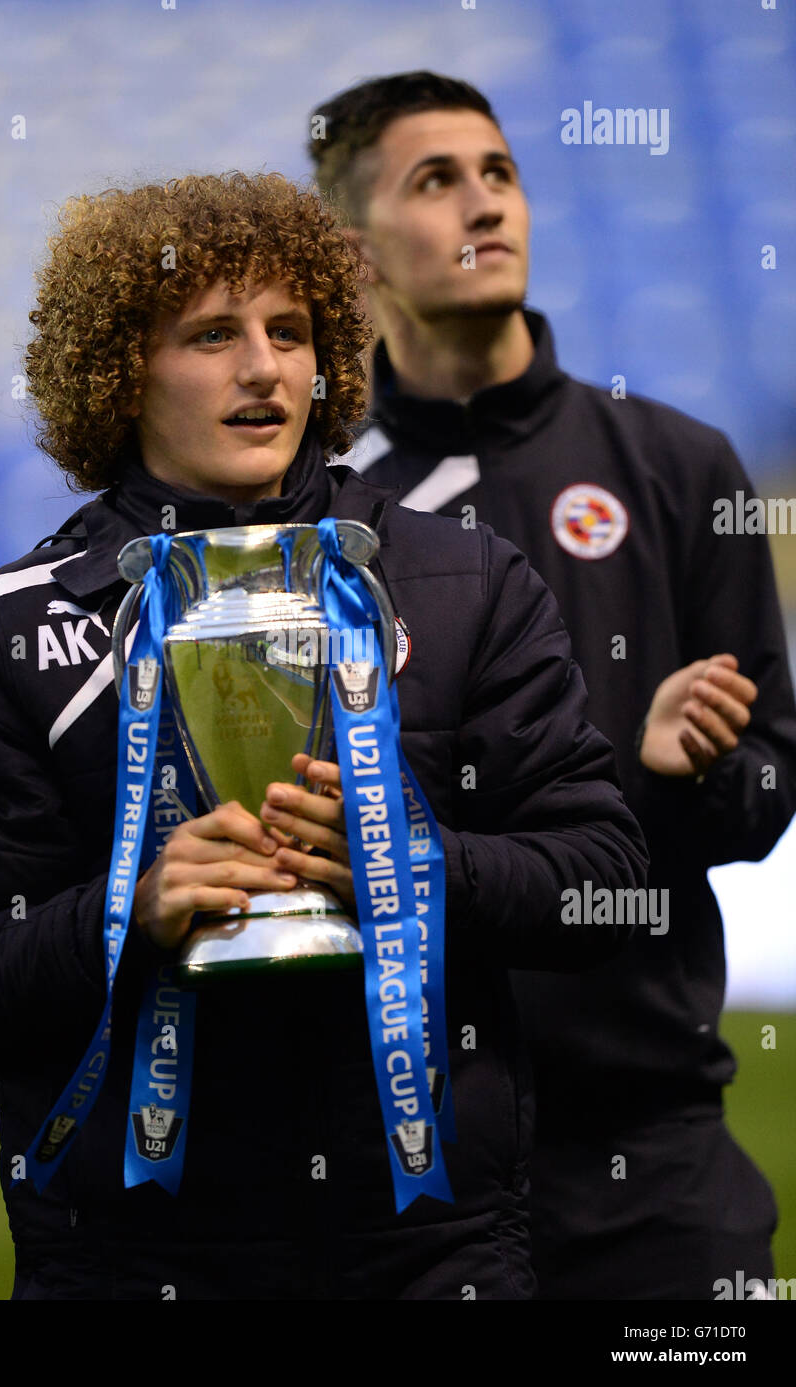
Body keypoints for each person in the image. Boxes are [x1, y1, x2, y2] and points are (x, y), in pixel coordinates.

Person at [0, 171, 647, 1301]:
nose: (263, 368)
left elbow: (607, 883)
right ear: (118, 368)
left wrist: (419, 865)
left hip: (431, 1257)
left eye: (289, 331)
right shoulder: (12, 627)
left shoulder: (465, 582)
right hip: (122, 1265)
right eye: (211, 334)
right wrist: (127, 913)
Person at [306, 71, 796, 1300]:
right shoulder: (314, 504)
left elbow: (770, 785)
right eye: (436, 180)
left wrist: (696, 773)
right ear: (355, 252)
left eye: (499, 172)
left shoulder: (679, 463)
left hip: (655, 1137)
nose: (485, 203)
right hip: (407, 1144)